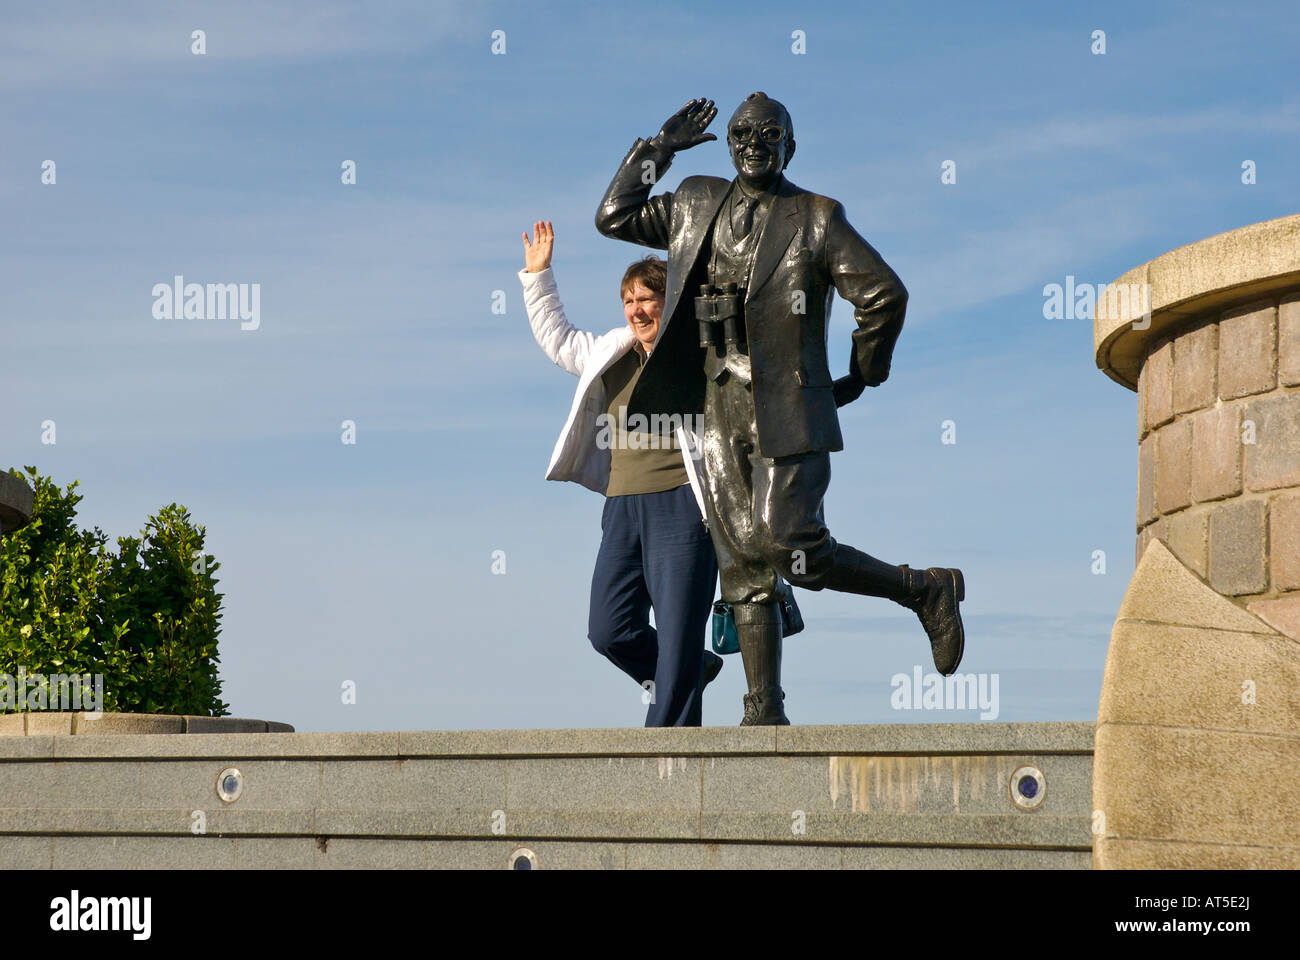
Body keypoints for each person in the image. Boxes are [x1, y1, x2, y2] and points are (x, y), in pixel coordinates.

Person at [595, 95, 966, 725]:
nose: (753, 143)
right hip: (715, 403)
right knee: (742, 558)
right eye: (742, 133)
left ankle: (924, 587)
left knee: (790, 542)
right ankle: (764, 710)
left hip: (789, 407)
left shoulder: (816, 217)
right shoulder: (692, 202)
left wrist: (861, 376)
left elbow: (882, 295)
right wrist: (661, 145)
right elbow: (614, 215)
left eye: (770, 134)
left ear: (790, 146)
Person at [519, 220, 722, 726]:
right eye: (629, 300)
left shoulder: (698, 355)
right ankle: (690, 669)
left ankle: (664, 750)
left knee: (677, 631)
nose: (637, 310)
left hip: (683, 504)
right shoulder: (611, 350)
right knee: (608, 629)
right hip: (622, 506)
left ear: (669, 301)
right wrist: (538, 275)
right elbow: (559, 339)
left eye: (648, 298)